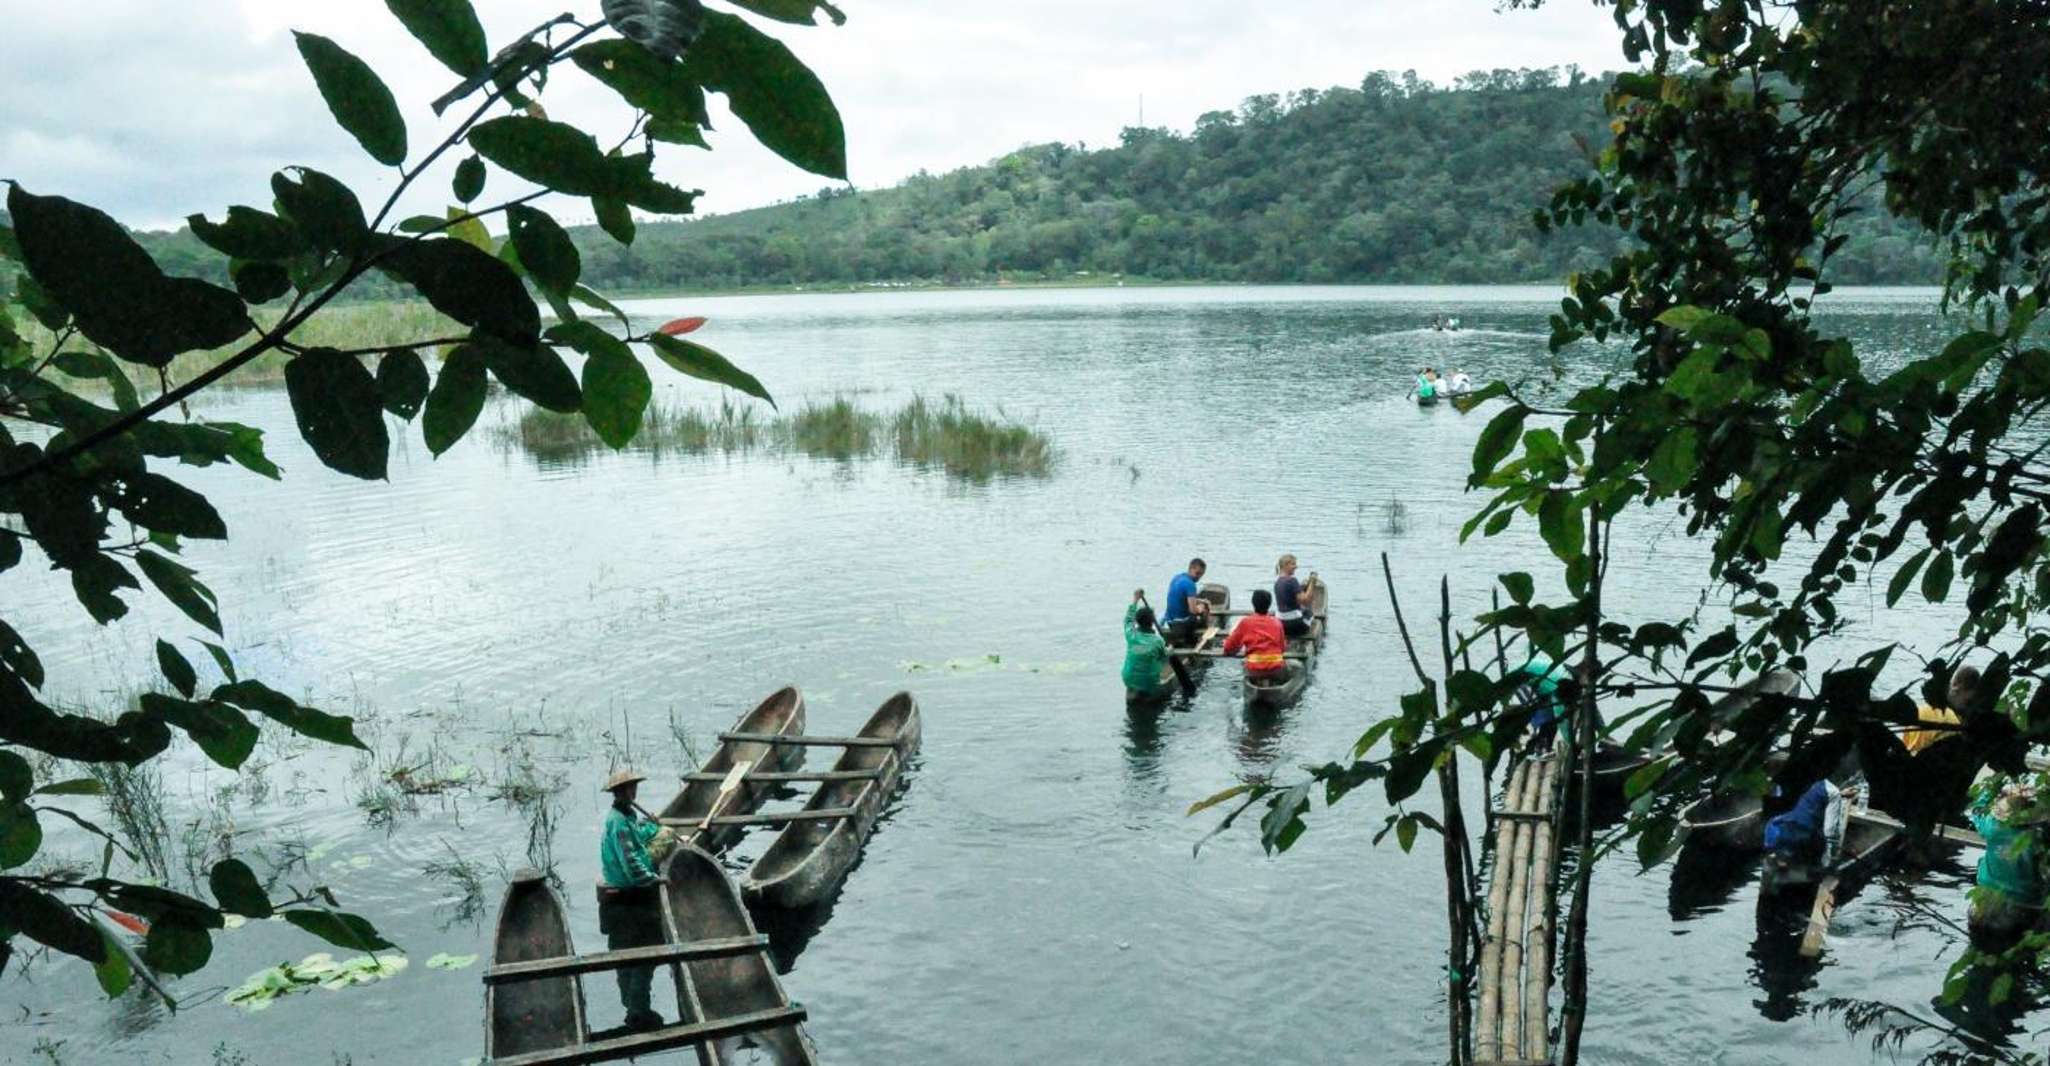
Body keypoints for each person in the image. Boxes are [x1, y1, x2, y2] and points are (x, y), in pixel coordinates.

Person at [597, 769, 666, 1031]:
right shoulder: (618, 822)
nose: (632, 792)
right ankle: (638, 1011)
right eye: (628, 789)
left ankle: (631, 1005)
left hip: (622, 895)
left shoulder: (627, 815)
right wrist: (653, 879)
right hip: (629, 890)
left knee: (624, 957)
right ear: (619, 792)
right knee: (642, 960)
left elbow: (638, 833)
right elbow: (630, 862)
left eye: (633, 787)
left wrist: (653, 825)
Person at [1965, 777, 2046, 951]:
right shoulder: (2038, 838)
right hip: (2023, 906)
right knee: (2020, 954)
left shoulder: (1991, 826)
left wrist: (1990, 789)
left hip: (1984, 901)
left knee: (1978, 948)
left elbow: (1977, 810)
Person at [1763, 776, 1848, 865]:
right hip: (1800, 836)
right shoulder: (1832, 791)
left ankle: (1778, 860)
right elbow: (1830, 831)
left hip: (1773, 833)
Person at [1903, 665, 1979, 755]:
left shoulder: (1917, 711)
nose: (1967, 707)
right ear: (1956, 687)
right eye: (1967, 702)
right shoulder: (1953, 722)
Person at [1223, 589, 1289, 679]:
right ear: (1269, 604)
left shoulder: (1246, 622)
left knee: (1244, 664)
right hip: (1276, 669)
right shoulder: (1277, 622)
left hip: (1254, 670)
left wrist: (1227, 644)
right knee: (1295, 665)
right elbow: (1282, 648)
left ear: (1253, 603)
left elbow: (1229, 648)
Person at [1122, 590, 1171, 698]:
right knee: (1164, 657)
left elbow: (1128, 620)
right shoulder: (1157, 641)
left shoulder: (1131, 635)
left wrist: (1135, 599)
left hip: (1128, 679)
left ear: (1137, 621)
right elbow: (1164, 658)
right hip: (1149, 682)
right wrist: (1169, 650)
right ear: (1152, 622)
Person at [1160, 558, 1212, 646]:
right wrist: (1201, 608)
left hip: (1170, 622)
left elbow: (1182, 597)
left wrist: (1200, 601)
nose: (1198, 577)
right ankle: (1198, 638)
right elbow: (1193, 611)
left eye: (1201, 575)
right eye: (1197, 573)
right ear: (1191, 568)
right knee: (1204, 610)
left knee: (1201, 605)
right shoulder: (1190, 584)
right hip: (1181, 625)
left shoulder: (1177, 578)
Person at [1273, 554, 1316, 640]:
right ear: (1285, 565)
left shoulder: (1277, 581)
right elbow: (1306, 600)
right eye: (1293, 564)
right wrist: (1312, 582)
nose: (1296, 567)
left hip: (1280, 624)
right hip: (1295, 626)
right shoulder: (1292, 580)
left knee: (1302, 609)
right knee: (1310, 614)